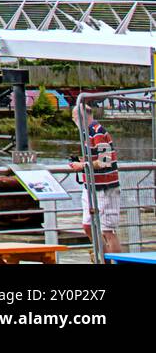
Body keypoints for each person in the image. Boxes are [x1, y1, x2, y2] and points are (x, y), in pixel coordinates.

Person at [70, 103, 121, 260]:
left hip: (104, 187)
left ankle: (114, 260)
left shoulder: (98, 132)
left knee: (107, 229)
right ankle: (103, 257)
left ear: (81, 117)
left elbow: (105, 160)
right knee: (88, 225)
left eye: (74, 118)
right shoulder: (88, 134)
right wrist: (82, 161)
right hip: (92, 186)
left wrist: (83, 165)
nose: (73, 121)